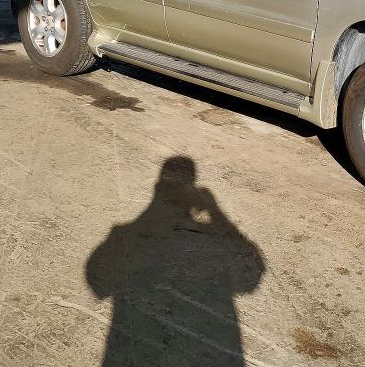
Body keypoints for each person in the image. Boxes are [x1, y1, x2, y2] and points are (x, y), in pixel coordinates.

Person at [86, 157, 264, 366]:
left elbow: (98, 280)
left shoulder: (125, 236)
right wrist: (216, 212)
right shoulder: (129, 235)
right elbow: (251, 274)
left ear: (157, 188)